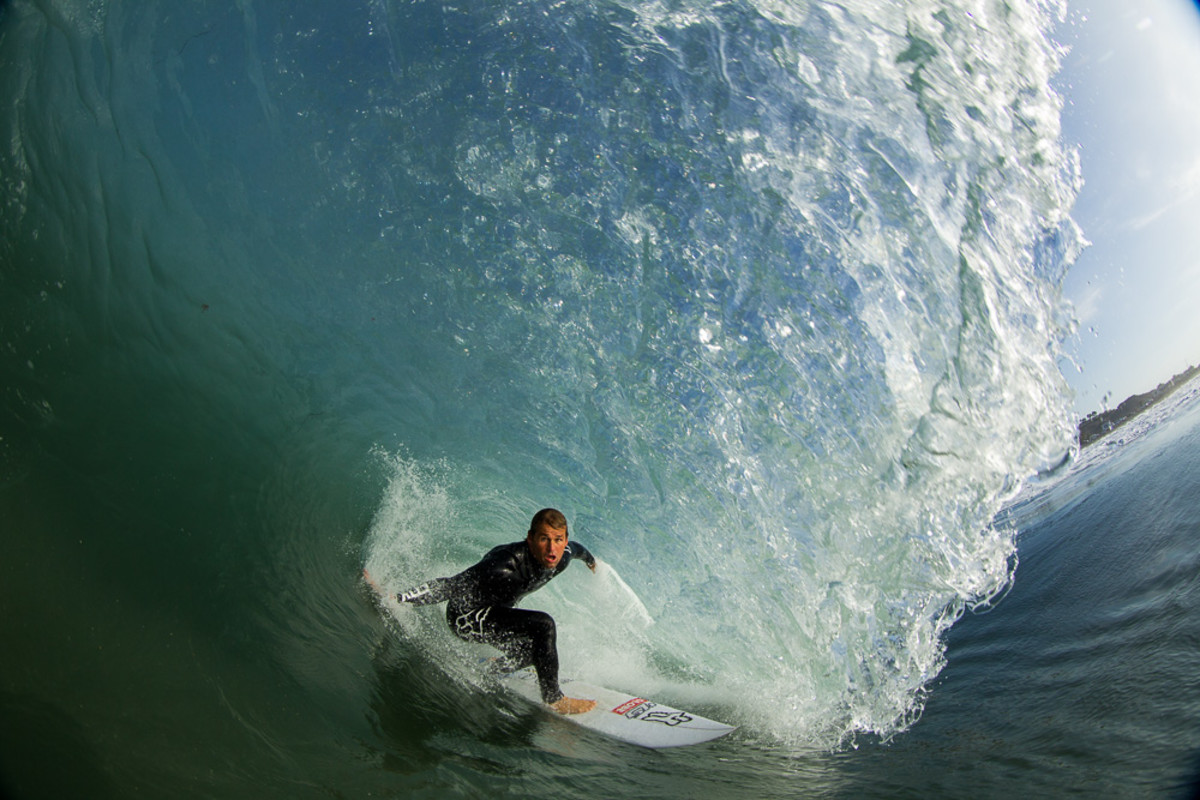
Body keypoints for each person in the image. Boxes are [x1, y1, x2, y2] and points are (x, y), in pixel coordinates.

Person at [367, 508, 599, 715]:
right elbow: (451, 585)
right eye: (544, 539)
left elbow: (578, 550)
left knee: (537, 651)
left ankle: (493, 667)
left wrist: (591, 561)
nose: (552, 548)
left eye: (558, 540)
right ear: (530, 539)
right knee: (543, 625)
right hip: (465, 616)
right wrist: (397, 599)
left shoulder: (562, 555)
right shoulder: (505, 564)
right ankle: (554, 699)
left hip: (498, 612)